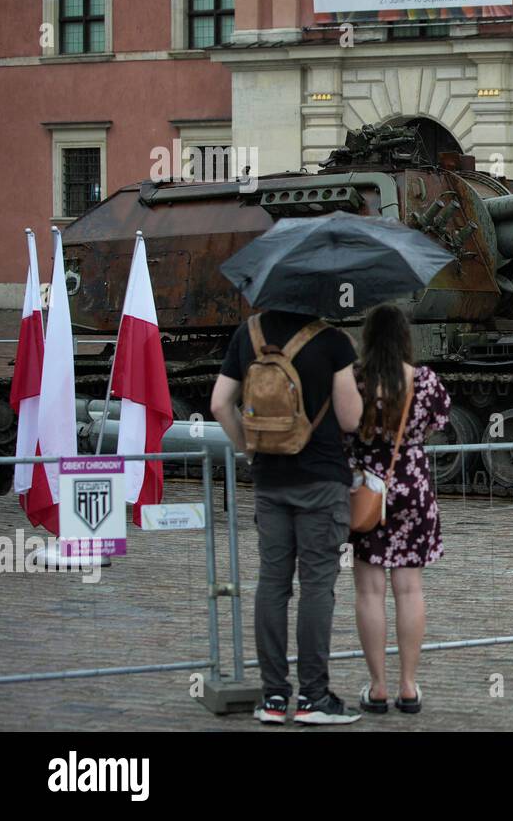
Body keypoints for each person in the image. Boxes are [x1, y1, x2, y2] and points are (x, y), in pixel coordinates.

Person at [211, 310, 364, 726]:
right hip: (321, 480)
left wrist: (249, 450)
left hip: (269, 480)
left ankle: (274, 698)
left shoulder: (249, 333)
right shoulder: (332, 340)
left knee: (272, 584)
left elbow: (219, 403)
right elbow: (351, 419)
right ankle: (314, 697)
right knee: (317, 586)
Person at [347, 305, 451, 716]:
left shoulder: (355, 380)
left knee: (369, 591)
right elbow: (435, 424)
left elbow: (343, 427)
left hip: (367, 493)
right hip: (413, 487)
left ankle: (377, 686)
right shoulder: (424, 381)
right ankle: (409, 687)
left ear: (367, 338)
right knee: (409, 590)